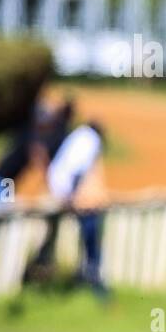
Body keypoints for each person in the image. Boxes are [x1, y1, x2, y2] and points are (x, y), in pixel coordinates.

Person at [44, 121, 110, 298]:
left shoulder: (78, 136)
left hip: (63, 191)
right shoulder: (90, 140)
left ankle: (84, 279)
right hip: (75, 197)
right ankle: (96, 285)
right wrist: (73, 197)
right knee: (91, 242)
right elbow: (77, 169)